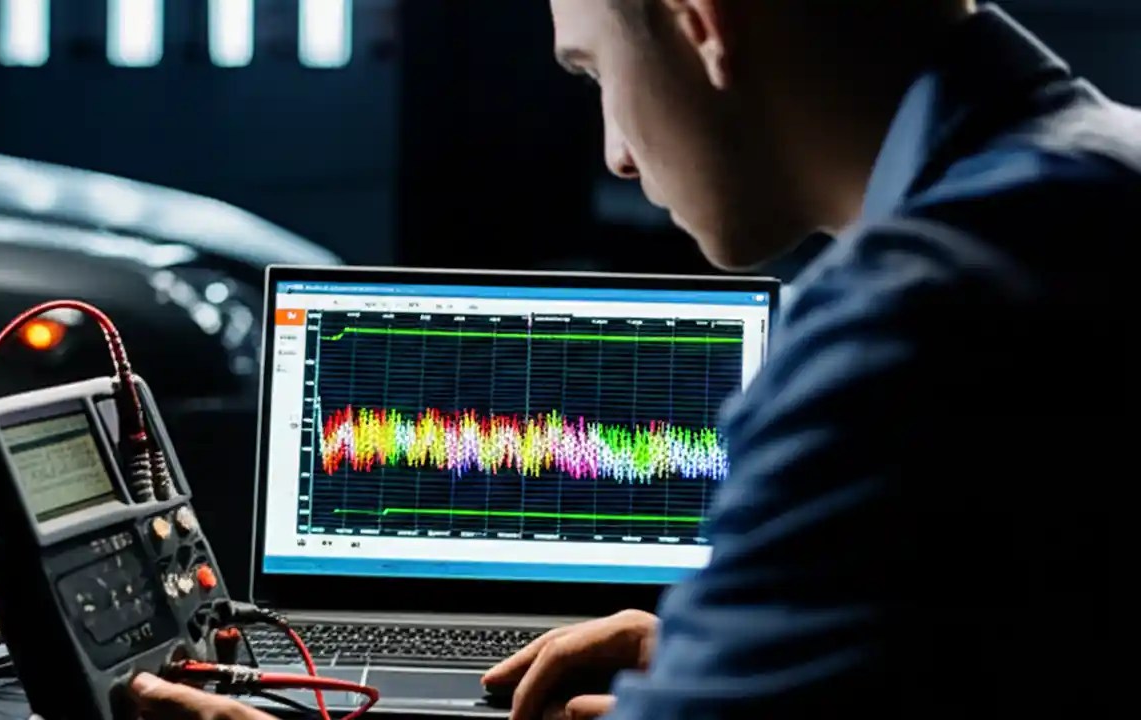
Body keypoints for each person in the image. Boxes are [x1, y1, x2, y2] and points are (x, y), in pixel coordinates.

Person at [126, 0, 1130, 718]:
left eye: (593, 69)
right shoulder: (1100, 180)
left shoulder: (906, 331)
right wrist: (730, 654)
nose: (612, 151)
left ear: (700, 22)